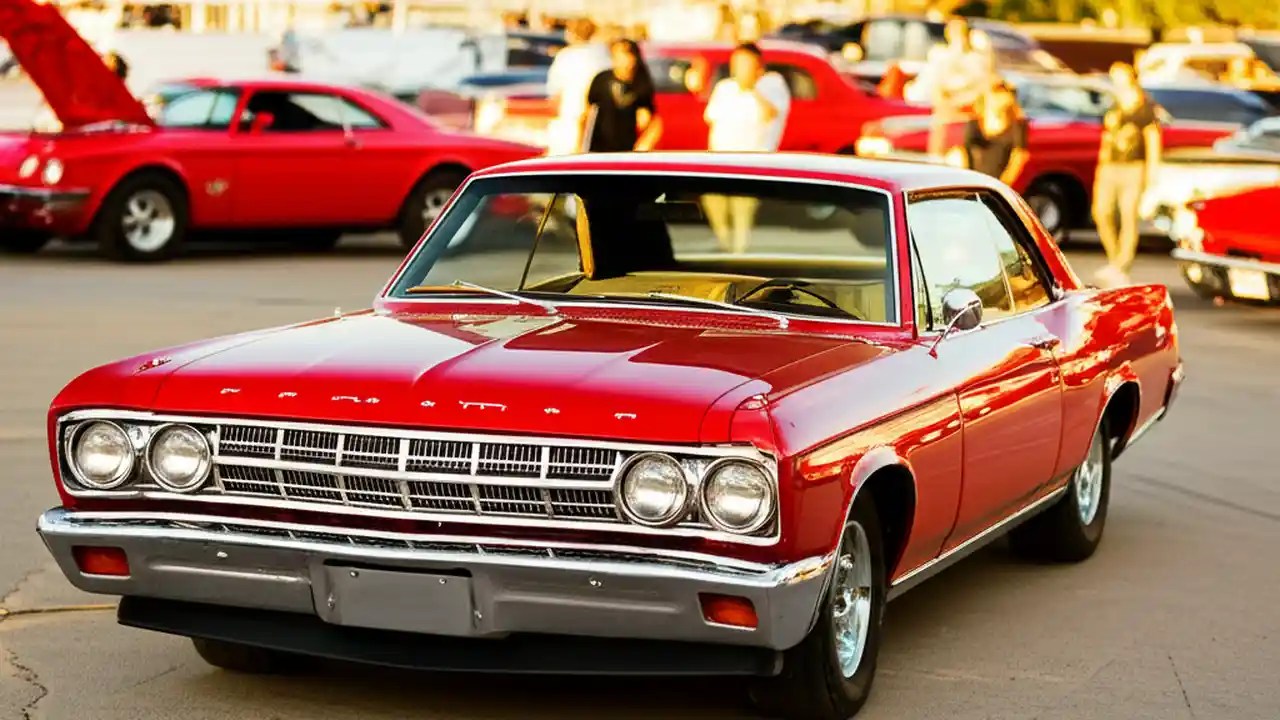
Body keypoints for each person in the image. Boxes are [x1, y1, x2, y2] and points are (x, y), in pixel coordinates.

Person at [701, 43, 791, 253]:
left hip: (751, 164)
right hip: (720, 162)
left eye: (745, 64)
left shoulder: (772, 85)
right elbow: (712, 119)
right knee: (713, 203)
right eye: (736, 63)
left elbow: (771, 115)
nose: (739, 69)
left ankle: (740, 254)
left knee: (743, 210)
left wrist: (753, 89)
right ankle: (725, 246)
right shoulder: (725, 88)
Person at [1092, 62, 1161, 288]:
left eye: (1119, 77)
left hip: (1134, 167)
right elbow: (1106, 136)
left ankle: (1122, 265)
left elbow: (1153, 140)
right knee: (1102, 212)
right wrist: (1101, 164)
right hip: (1110, 166)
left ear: (1131, 77)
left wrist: (1151, 173)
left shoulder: (1144, 106)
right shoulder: (1114, 105)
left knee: (1128, 216)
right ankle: (1114, 259)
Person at [581, 39, 663, 153]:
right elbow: (586, 113)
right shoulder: (601, 79)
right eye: (618, 56)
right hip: (598, 148)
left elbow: (653, 122)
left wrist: (644, 144)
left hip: (626, 149)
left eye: (627, 56)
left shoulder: (641, 84)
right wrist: (581, 145)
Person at [925, 17, 990, 160]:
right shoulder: (941, 56)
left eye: (960, 33)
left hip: (967, 118)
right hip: (946, 118)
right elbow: (937, 86)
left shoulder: (976, 59)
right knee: (939, 156)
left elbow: (981, 87)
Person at [545, 18, 611, 155]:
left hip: (571, 118)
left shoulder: (565, 57)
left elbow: (555, 93)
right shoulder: (603, 53)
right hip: (600, 118)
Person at [962, 78, 1029, 187]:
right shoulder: (975, 123)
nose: (999, 101)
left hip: (998, 182)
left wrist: (1004, 182)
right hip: (974, 180)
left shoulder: (1017, 124)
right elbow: (964, 152)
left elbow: (1019, 157)